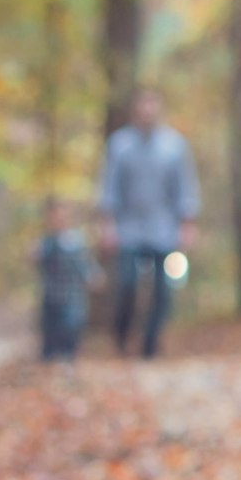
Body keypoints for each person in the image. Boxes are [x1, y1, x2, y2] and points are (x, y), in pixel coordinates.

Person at [97, 88, 199, 359]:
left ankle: (150, 346)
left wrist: (186, 224)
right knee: (127, 284)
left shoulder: (174, 146)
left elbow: (184, 188)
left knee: (162, 291)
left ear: (158, 110)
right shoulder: (119, 145)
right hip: (129, 228)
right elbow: (109, 188)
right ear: (135, 110)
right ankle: (121, 336)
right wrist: (107, 225)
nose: (147, 112)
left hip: (163, 228)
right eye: (142, 107)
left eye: (152, 106)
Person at [33, 196, 94, 362]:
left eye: (61, 216)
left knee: (70, 330)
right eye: (54, 216)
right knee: (50, 334)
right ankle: (49, 360)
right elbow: (37, 261)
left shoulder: (75, 240)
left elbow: (84, 264)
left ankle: (68, 361)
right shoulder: (44, 241)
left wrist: (91, 276)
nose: (58, 220)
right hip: (51, 295)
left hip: (72, 295)